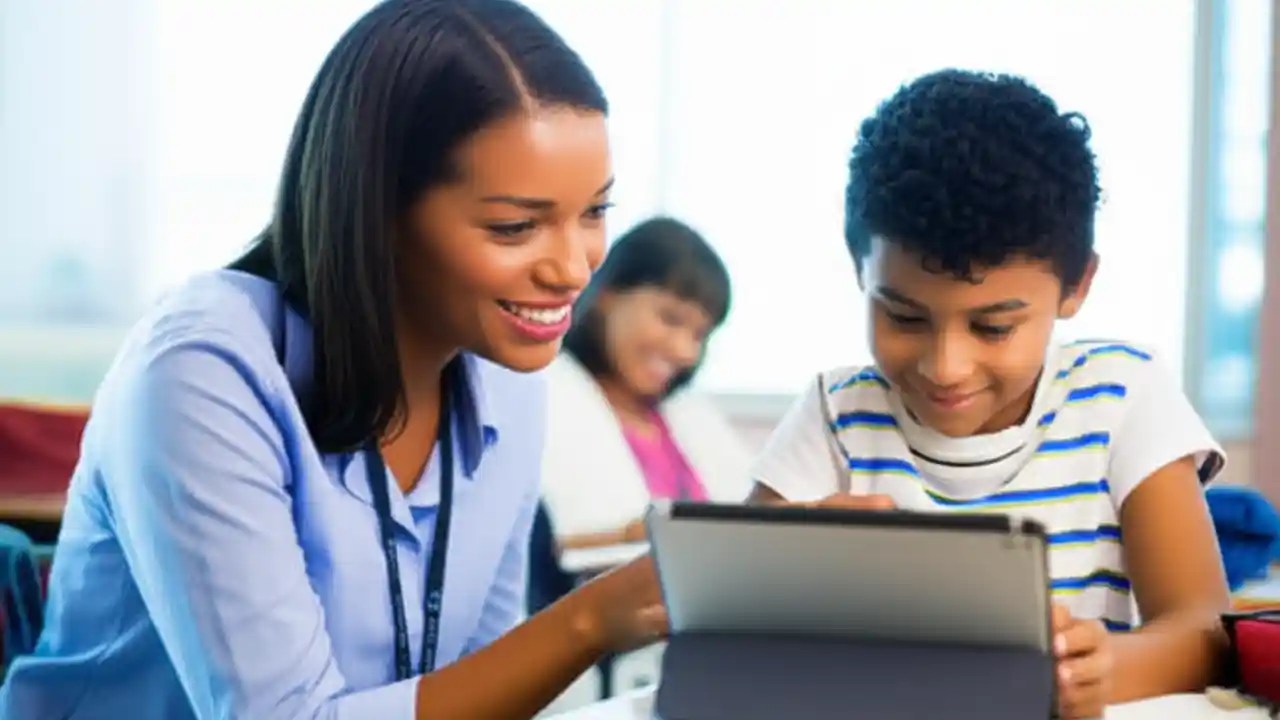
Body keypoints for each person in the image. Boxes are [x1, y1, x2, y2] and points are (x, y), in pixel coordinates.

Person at [0, 2, 665, 718]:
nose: (573, 269)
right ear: (375, 210)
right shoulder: (201, 372)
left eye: (594, 213)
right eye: (515, 226)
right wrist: (588, 621)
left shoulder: (508, 374)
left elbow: (486, 680)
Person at [747, 69, 1230, 719]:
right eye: (904, 317)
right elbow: (733, 616)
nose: (945, 367)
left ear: (1076, 285)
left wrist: (1106, 670)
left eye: (993, 327)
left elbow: (1206, 628)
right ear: (858, 265)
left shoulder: (1122, 396)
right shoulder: (837, 413)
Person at [540, 217, 752, 550]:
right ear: (607, 295)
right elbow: (538, 551)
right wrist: (634, 537)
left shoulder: (691, 417)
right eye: (670, 318)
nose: (685, 350)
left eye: (700, 335)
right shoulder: (546, 393)